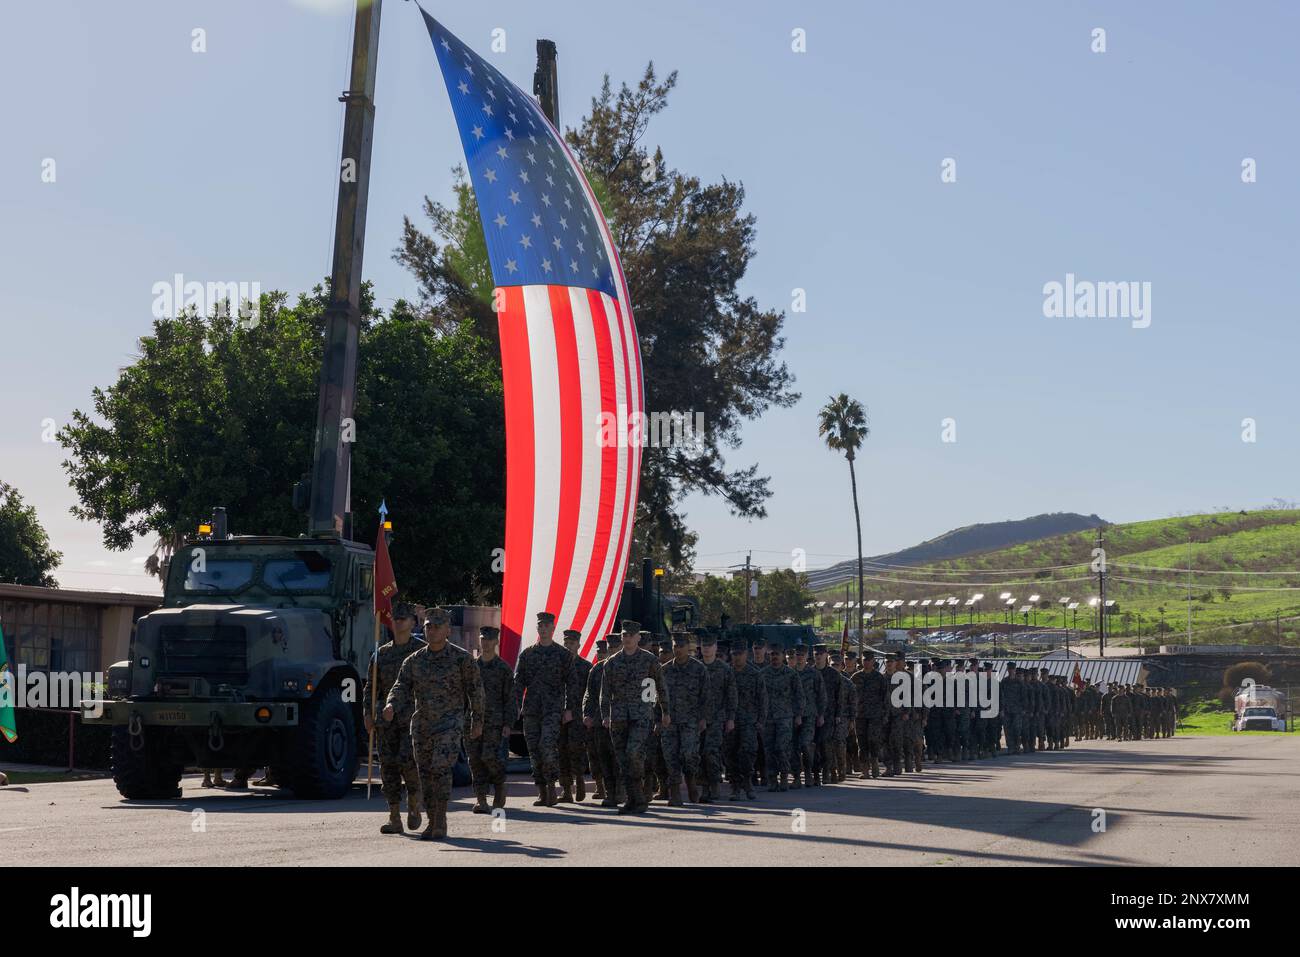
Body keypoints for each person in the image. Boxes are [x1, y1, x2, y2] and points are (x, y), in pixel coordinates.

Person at [383, 606, 484, 840]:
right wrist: (391, 704)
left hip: (450, 724)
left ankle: (441, 820)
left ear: (447, 630)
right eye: (429, 626)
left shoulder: (462, 659)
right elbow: (400, 686)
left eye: (437, 626)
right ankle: (432, 821)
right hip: (421, 726)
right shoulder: (414, 661)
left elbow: (476, 692)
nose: (432, 631)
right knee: (425, 773)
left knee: (440, 768)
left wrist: (477, 721)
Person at [363, 601, 425, 834]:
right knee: (388, 766)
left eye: (404, 618)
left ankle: (414, 803)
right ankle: (394, 816)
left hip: (412, 719)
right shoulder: (381, 654)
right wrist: (367, 713)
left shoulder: (420, 652)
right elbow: (371, 687)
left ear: (412, 622)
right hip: (385, 720)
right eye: (396, 618)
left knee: (408, 762)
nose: (398, 622)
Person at [600, 620, 669, 815]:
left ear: (638, 637)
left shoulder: (649, 660)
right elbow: (604, 693)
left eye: (631, 635)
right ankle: (633, 800)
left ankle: (639, 797)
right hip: (619, 717)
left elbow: (660, 687)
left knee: (633, 753)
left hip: (641, 716)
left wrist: (665, 711)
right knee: (622, 760)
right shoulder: (611, 663)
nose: (627, 638)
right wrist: (605, 715)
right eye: (624, 635)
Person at [513, 611, 576, 807]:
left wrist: (569, 709)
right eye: (540, 625)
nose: (543, 629)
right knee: (534, 750)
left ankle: (551, 787)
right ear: (537, 628)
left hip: (553, 710)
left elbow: (572, 684)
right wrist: (515, 706)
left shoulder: (563, 655)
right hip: (531, 710)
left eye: (547, 626)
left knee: (547, 746)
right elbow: (518, 683)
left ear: (553, 628)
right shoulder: (528, 654)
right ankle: (541, 790)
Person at [469, 625, 513, 813]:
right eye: (482, 639)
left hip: (495, 722)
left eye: (489, 639)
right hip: (472, 721)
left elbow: (510, 698)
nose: (485, 642)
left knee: (490, 757)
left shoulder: (503, 668)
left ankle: (499, 784)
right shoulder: (472, 666)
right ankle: (481, 799)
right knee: (475, 760)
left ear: (496, 641)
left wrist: (508, 723)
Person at [660, 634, 708, 805]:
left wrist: (703, 718)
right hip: (669, 721)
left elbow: (705, 696)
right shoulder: (664, 670)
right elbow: (657, 697)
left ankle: (691, 784)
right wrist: (659, 718)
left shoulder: (699, 669)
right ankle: (675, 792)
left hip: (690, 720)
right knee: (670, 755)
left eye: (681, 646)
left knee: (689, 754)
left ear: (688, 647)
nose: (677, 649)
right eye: (675, 646)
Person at [759, 644, 804, 791]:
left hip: (785, 717)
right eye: (772, 654)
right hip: (768, 718)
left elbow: (799, 695)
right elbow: (758, 697)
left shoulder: (791, 674)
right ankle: (772, 779)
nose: (774, 657)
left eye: (777, 654)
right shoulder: (763, 674)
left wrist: (798, 715)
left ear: (783, 655)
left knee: (782, 748)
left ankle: (784, 776)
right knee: (769, 749)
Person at [583, 637, 622, 807]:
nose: (612, 650)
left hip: (621, 721)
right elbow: (589, 695)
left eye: (615, 647)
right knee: (604, 758)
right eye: (610, 647)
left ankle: (621, 791)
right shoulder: (597, 669)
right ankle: (611, 793)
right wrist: (587, 714)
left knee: (619, 758)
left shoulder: (626, 666)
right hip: (601, 722)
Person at [725, 640, 766, 800]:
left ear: (746, 654)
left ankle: (748, 782)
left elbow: (763, 699)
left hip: (749, 721)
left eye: (739, 654)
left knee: (748, 753)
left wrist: (761, 720)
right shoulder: (727, 673)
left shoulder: (755, 674)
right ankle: (735, 786)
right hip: (730, 721)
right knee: (730, 754)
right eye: (734, 654)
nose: (737, 657)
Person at [698, 633, 736, 803]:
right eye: (704, 645)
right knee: (697, 753)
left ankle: (713, 785)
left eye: (710, 645)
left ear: (715, 648)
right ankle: (704, 787)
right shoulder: (695, 667)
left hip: (717, 718)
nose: (706, 648)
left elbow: (731, 695)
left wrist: (730, 718)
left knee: (711, 753)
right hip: (696, 719)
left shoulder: (724, 669)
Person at [557, 628, 592, 803]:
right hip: (559, 715)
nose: (569, 646)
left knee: (576, 749)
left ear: (579, 644)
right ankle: (566, 790)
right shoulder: (557, 666)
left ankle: (579, 779)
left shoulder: (586, 667)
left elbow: (591, 694)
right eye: (566, 643)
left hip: (578, 715)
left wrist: (587, 714)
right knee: (561, 751)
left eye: (572, 643)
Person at [853, 654, 888, 778]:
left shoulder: (879, 678)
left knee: (873, 741)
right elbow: (851, 697)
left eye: (869, 660)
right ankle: (865, 770)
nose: (866, 662)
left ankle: (874, 763)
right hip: (860, 716)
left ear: (873, 661)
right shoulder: (856, 677)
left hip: (875, 715)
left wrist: (885, 714)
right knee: (862, 743)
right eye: (864, 660)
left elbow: (885, 697)